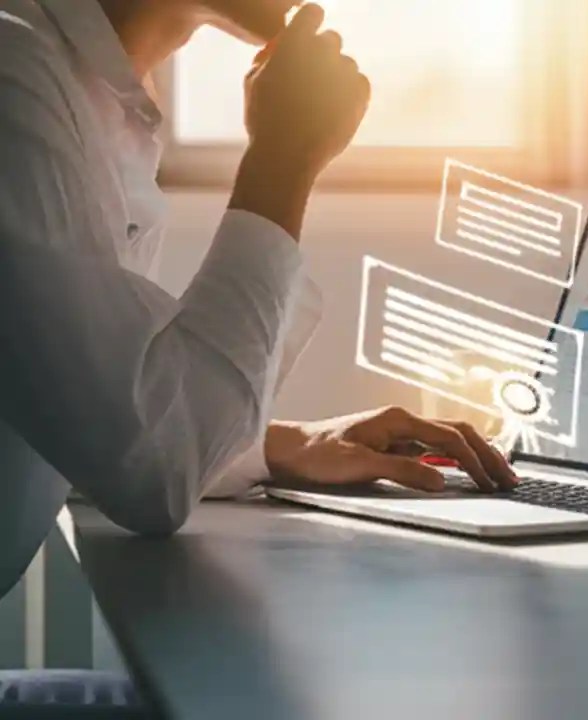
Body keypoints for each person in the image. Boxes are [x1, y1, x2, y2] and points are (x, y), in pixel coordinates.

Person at [0, 0, 519, 645]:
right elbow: (150, 477)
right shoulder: (13, 76)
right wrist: (283, 158)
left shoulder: (77, 89)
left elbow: (79, 419)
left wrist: (280, 446)